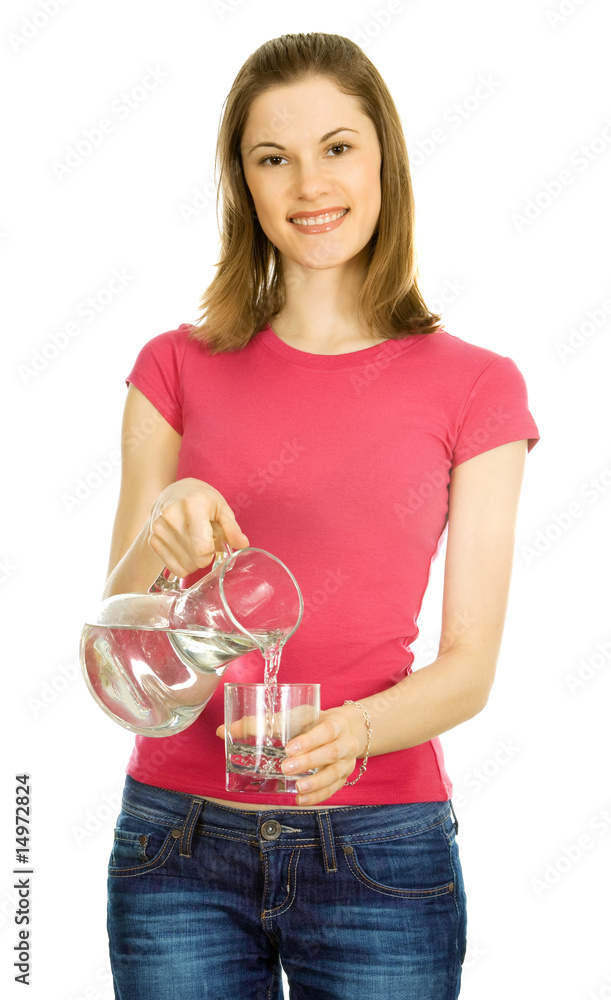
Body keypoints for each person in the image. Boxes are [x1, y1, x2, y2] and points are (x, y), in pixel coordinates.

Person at [103, 32, 540, 1000]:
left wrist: (350, 732)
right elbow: (120, 653)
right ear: (243, 184)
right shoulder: (173, 369)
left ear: (382, 157)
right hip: (174, 844)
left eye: (336, 147)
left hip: (380, 852)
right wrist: (160, 524)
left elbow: (467, 668)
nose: (309, 183)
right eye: (273, 157)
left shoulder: (476, 388)